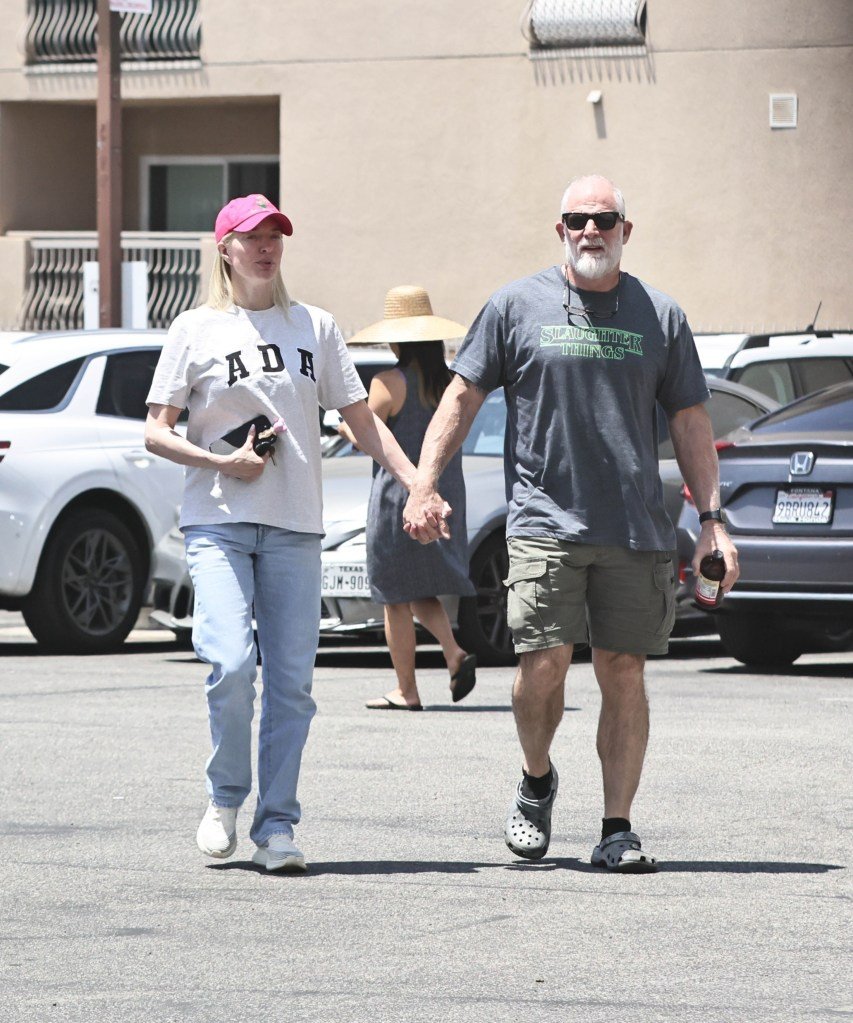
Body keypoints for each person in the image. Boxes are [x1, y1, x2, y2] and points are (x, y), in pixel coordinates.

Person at [403, 175, 739, 872]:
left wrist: (711, 520)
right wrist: (423, 482)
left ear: (625, 229)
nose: (590, 229)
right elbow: (461, 397)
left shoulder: (659, 314)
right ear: (559, 229)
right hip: (542, 521)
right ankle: (535, 778)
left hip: (635, 527)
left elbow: (690, 421)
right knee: (542, 665)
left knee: (622, 671)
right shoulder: (514, 305)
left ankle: (616, 828)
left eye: (604, 218)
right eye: (576, 219)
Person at [144, 194, 422, 872]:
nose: (266, 246)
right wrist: (220, 461)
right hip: (219, 523)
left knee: (293, 684)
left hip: (295, 526)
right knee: (232, 664)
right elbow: (156, 430)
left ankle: (276, 827)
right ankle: (224, 797)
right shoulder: (195, 328)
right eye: (251, 236)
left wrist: (418, 481)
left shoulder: (315, 327)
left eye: (275, 235)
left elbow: (361, 419)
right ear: (225, 249)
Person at [337, 285, 477, 710]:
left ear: (398, 337)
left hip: (398, 497)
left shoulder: (387, 381)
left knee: (393, 594)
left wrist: (340, 426)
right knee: (418, 587)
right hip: (446, 492)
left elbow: (364, 433)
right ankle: (453, 653)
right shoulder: (453, 381)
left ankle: (407, 690)